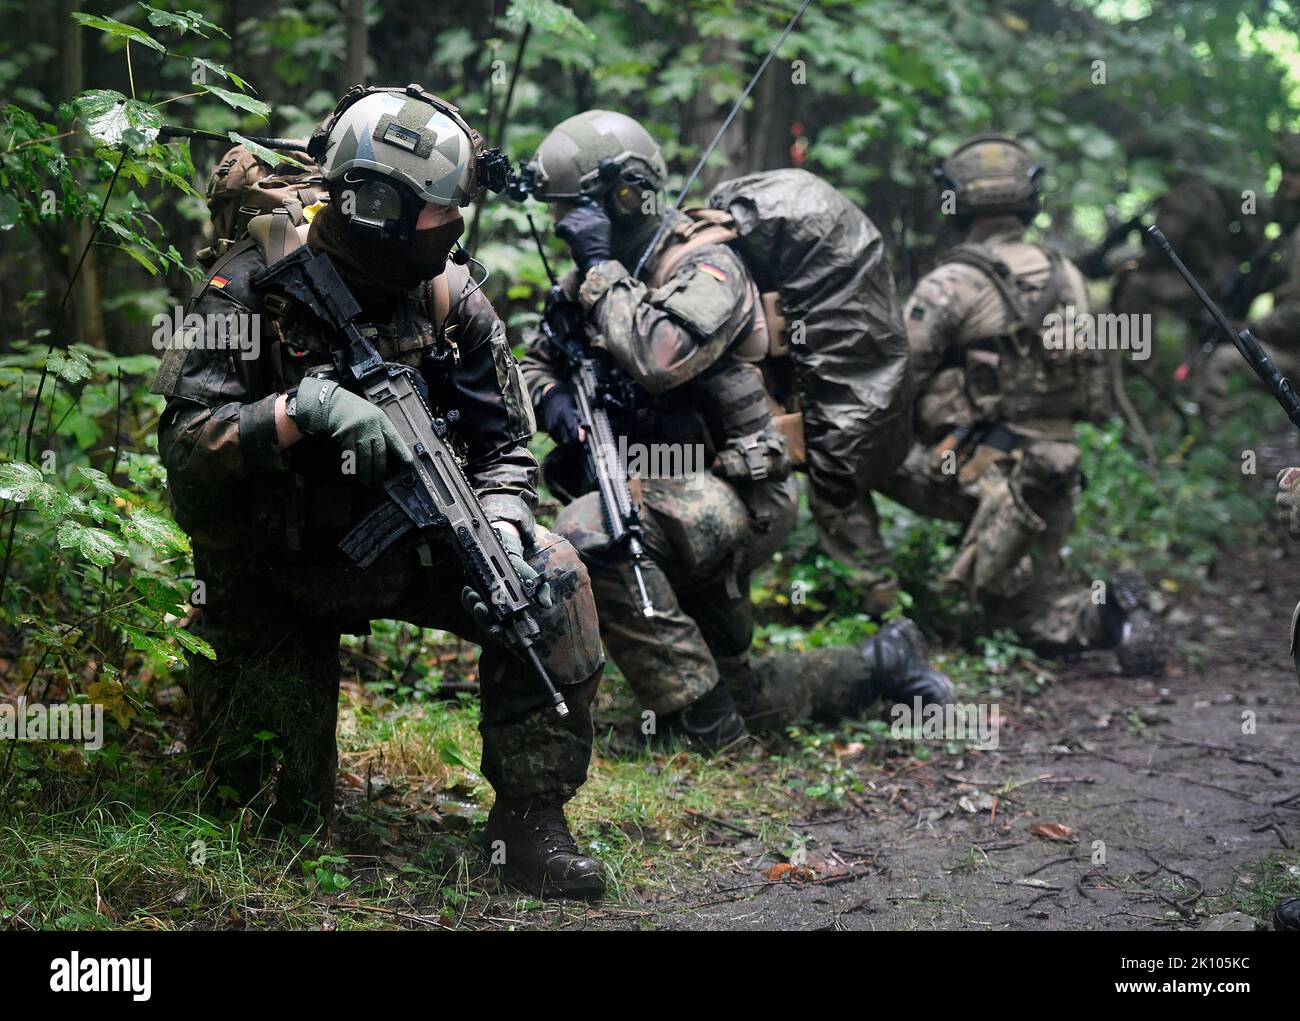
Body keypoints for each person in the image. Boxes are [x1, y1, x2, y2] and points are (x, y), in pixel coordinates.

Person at [153, 85, 606, 900]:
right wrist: (301, 409)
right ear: (380, 208)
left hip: (409, 546)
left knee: (555, 577)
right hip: (271, 571)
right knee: (267, 831)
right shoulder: (249, 289)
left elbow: (507, 445)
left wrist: (503, 521)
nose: (454, 225)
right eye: (440, 210)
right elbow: (186, 449)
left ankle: (531, 825)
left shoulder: (449, 294)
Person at [519, 110, 953, 751]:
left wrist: (599, 269)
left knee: (589, 533)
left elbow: (660, 355)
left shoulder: (710, 268)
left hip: (736, 492)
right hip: (662, 490)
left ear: (626, 195)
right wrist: (553, 398)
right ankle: (883, 661)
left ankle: (702, 726)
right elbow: (534, 361)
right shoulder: (597, 277)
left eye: (575, 211)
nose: (563, 228)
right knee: (740, 688)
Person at [869, 133, 1162, 674]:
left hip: (976, 473)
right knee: (1025, 598)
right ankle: (1103, 613)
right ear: (1029, 197)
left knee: (851, 461)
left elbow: (893, 379)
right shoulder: (1067, 275)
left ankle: (875, 599)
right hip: (1057, 470)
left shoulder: (950, 282)